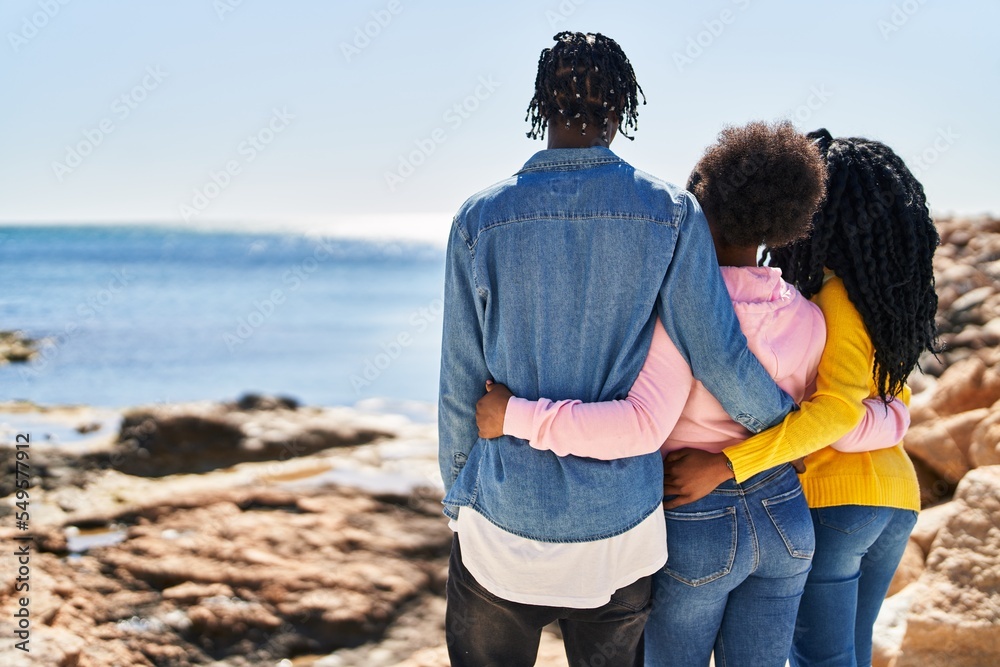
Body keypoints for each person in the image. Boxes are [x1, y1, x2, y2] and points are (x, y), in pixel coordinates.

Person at [475, 121, 911, 667]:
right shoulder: (808, 315)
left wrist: (514, 414)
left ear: (698, 206)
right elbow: (825, 415)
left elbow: (638, 425)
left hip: (697, 519)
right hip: (786, 520)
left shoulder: (680, 317)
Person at [438, 32, 796, 667]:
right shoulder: (671, 213)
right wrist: (785, 428)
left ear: (542, 104)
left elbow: (460, 378)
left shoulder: (479, 218)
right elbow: (717, 354)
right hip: (619, 527)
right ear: (622, 107)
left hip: (504, 515)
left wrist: (458, 493)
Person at [658, 130, 940, 667]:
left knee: (821, 661)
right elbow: (882, 405)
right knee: (848, 654)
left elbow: (834, 413)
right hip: (895, 498)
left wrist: (729, 463)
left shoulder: (827, 298)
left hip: (833, 499)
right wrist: (889, 420)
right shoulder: (877, 301)